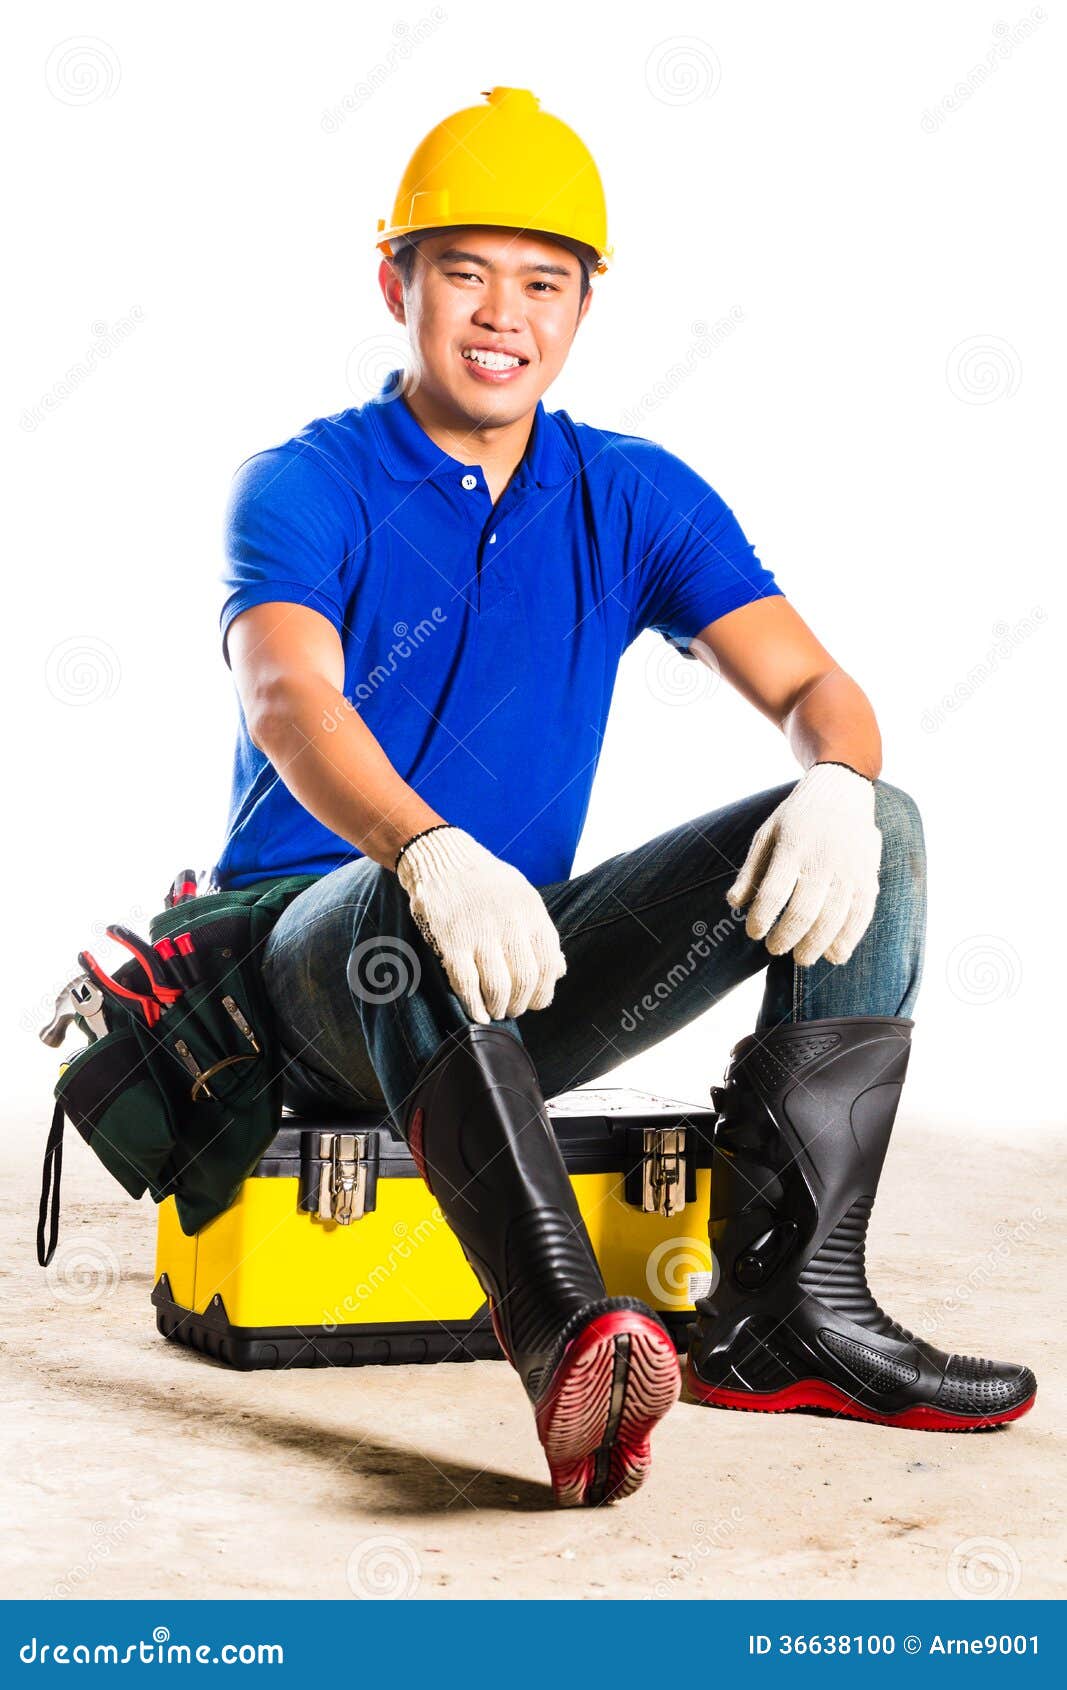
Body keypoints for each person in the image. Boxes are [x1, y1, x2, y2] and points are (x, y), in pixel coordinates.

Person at [213, 86, 1035, 1506]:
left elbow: (816, 690)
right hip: (313, 966)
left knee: (879, 830)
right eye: (463, 271)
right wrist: (423, 844)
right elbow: (292, 703)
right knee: (381, 908)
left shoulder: (632, 493)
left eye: (544, 281)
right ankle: (563, 1336)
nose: (501, 314)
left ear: (587, 305)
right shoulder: (302, 483)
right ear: (396, 282)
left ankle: (791, 1314)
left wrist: (838, 777)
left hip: (511, 964)